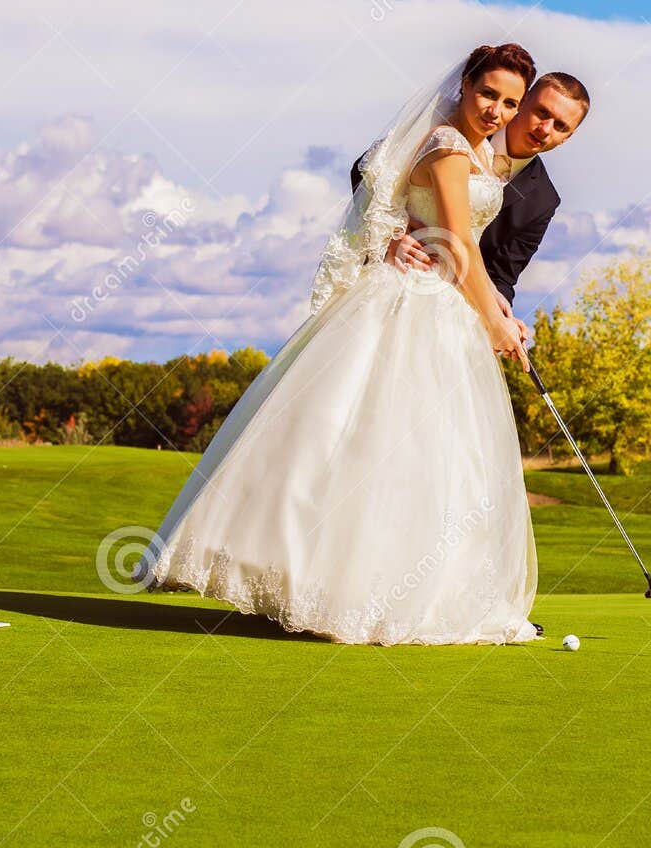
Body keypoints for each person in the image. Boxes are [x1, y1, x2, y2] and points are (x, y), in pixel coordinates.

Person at [136, 44, 546, 645]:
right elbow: (458, 246)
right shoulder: (449, 148)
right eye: (489, 94)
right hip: (415, 305)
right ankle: (341, 592)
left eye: (510, 103)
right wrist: (496, 325)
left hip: (443, 307)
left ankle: (388, 588)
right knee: (369, 444)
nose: (498, 111)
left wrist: (485, 301)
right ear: (464, 84)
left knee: (426, 457)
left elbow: (441, 233)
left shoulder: (479, 151)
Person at [361, 70, 588, 345]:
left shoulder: (543, 202)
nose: (545, 129)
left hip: (447, 313)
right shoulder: (459, 128)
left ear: (567, 137)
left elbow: (502, 275)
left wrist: (502, 315)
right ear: (521, 102)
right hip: (390, 285)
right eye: (541, 112)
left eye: (560, 126)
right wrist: (389, 236)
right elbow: (368, 170)